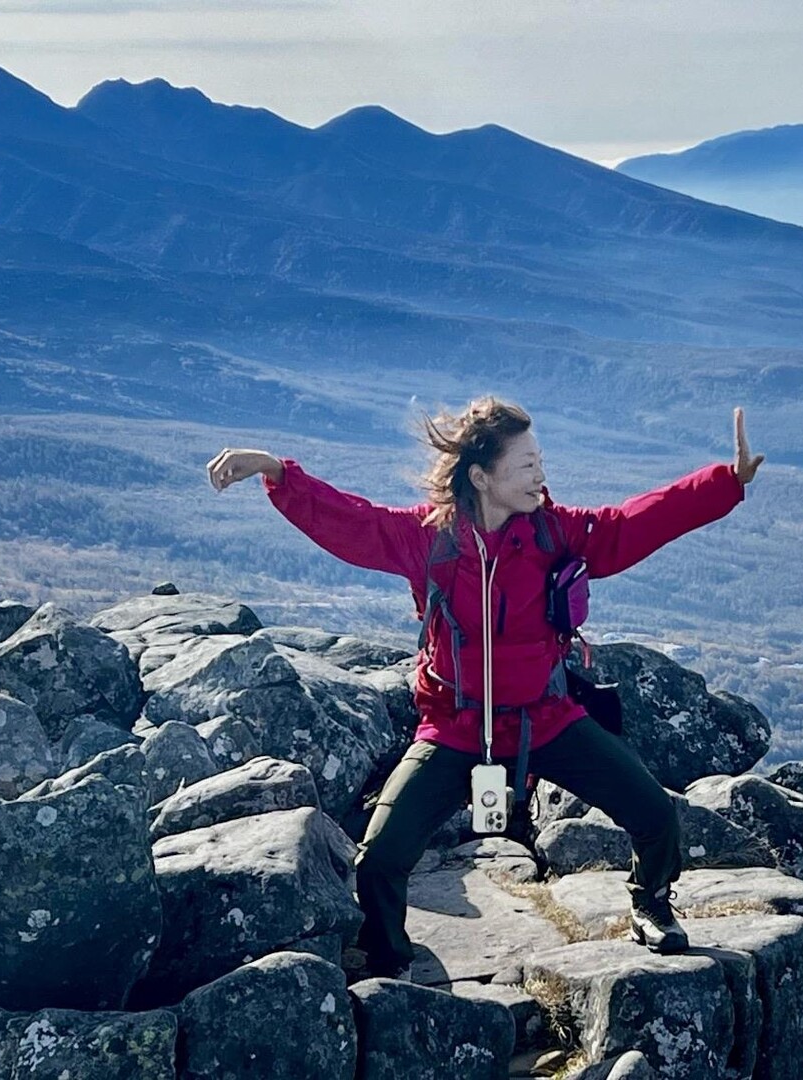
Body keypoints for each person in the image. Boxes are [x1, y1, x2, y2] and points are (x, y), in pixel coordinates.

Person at [205, 397, 764, 979]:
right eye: (526, 466)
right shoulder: (430, 540)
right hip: (454, 727)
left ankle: (650, 904)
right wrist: (277, 473)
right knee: (379, 861)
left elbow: (632, 524)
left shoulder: (554, 532)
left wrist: (725, 482)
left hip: (546, 718)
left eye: (539, 461)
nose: (541, 475)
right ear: (481, 476)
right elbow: (354, 522)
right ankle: (391, 964)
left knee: (655, 814)